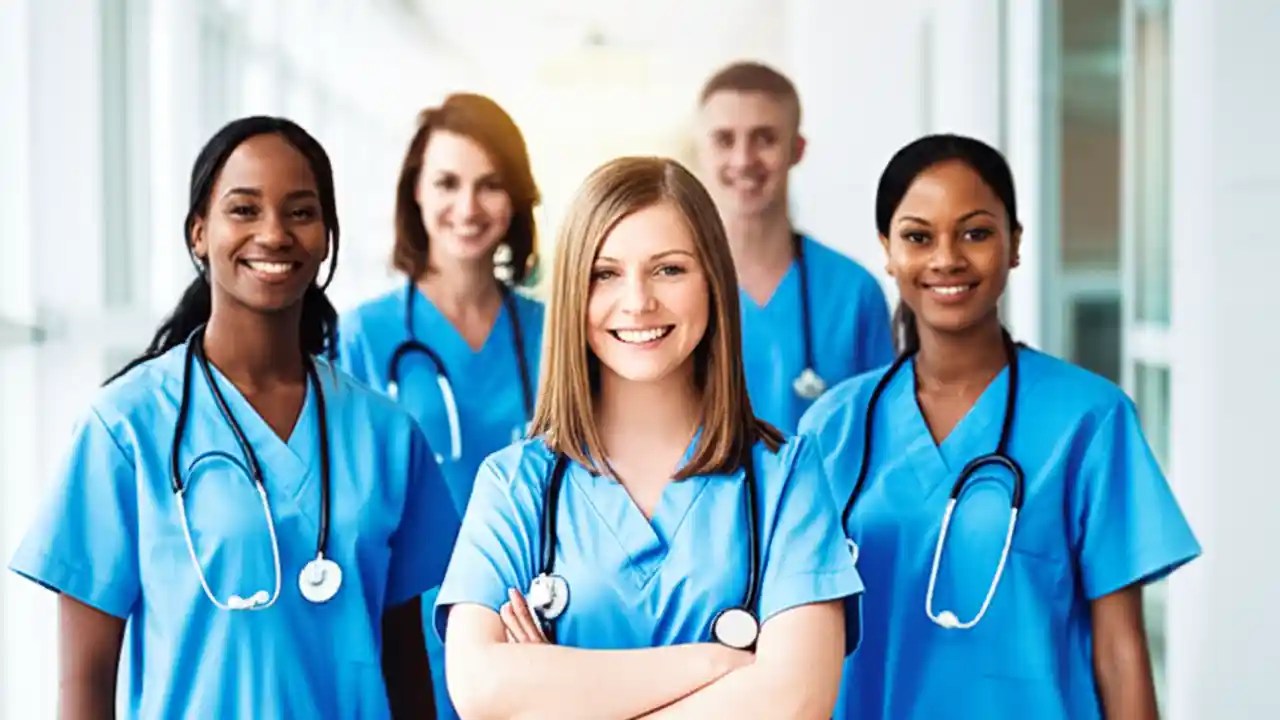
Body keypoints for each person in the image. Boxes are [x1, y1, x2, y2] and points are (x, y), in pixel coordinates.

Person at [8, 116, 459, 718]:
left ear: (327, 236)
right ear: (200, 232)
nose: (274, 234)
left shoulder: (387, 436)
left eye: (301, 212)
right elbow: (85, 684)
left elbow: (404, 667)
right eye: (244, 210)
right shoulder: (126, 428)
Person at [433, 156, 864, 719]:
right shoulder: (515, 483)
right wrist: (715, 665)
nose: (637, 301)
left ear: (712, 280)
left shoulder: (785, 477)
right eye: (605, 274)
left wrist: (559, 694)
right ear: (572, 294)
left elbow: (795, 701)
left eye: (669, 269)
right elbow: (481, 688)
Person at [798, 133, 1202, 719]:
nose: (947, 259)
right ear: (887, 251)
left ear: (1014, 244)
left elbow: (1119, 651)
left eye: (976, 232)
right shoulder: (833, 429)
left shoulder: (1089, 419)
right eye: (918, 236)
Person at [334, 92, 544, 720]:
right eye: (448, 182)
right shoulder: (363, 337)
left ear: (516, 200)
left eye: (490, 185)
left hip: (531, 622)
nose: (468, 208)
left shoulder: (556, 334)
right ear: (415, 195)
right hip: (407, 623)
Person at [693, 61, 894, 433]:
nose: (743, 159)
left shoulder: (853, 292)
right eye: (724, 139)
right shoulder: (668, 287)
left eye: (765, 138)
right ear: (701, 150)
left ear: (797, 149)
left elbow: (883, 438)